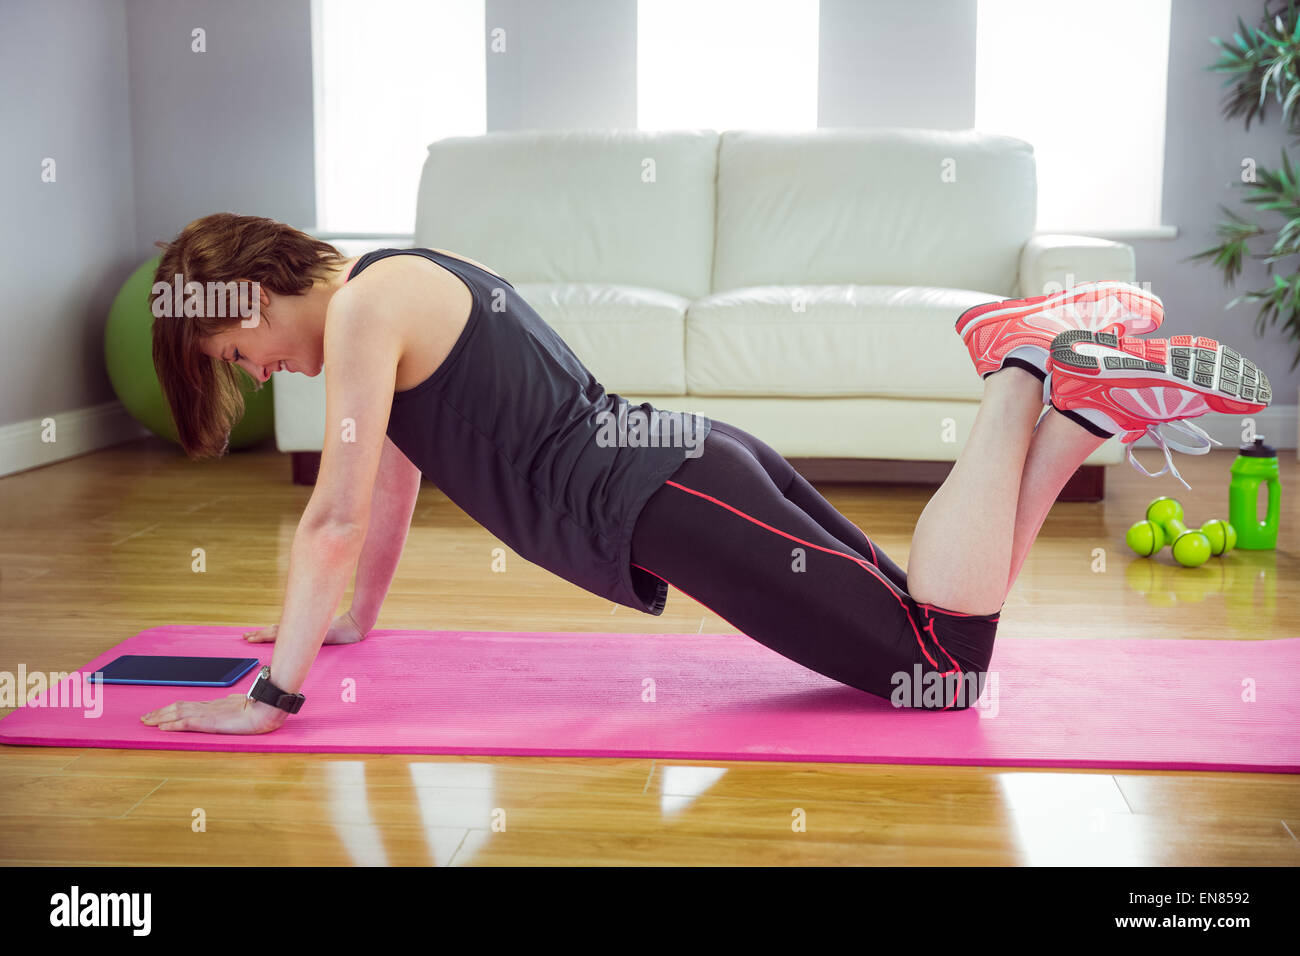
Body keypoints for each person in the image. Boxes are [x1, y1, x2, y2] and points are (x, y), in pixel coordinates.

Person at [140, 214, 1272, 733]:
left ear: (251, 293)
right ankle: (1076, 416)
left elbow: (330, 517)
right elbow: (390, 483)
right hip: (693, 468)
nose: (260, 369)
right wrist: (355, 623)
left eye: (238, 351)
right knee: (934, 621)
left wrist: (274, 696)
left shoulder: (360, 314)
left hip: (673, 504)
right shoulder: (411, 270)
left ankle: (1018, 370)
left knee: (941, 669)